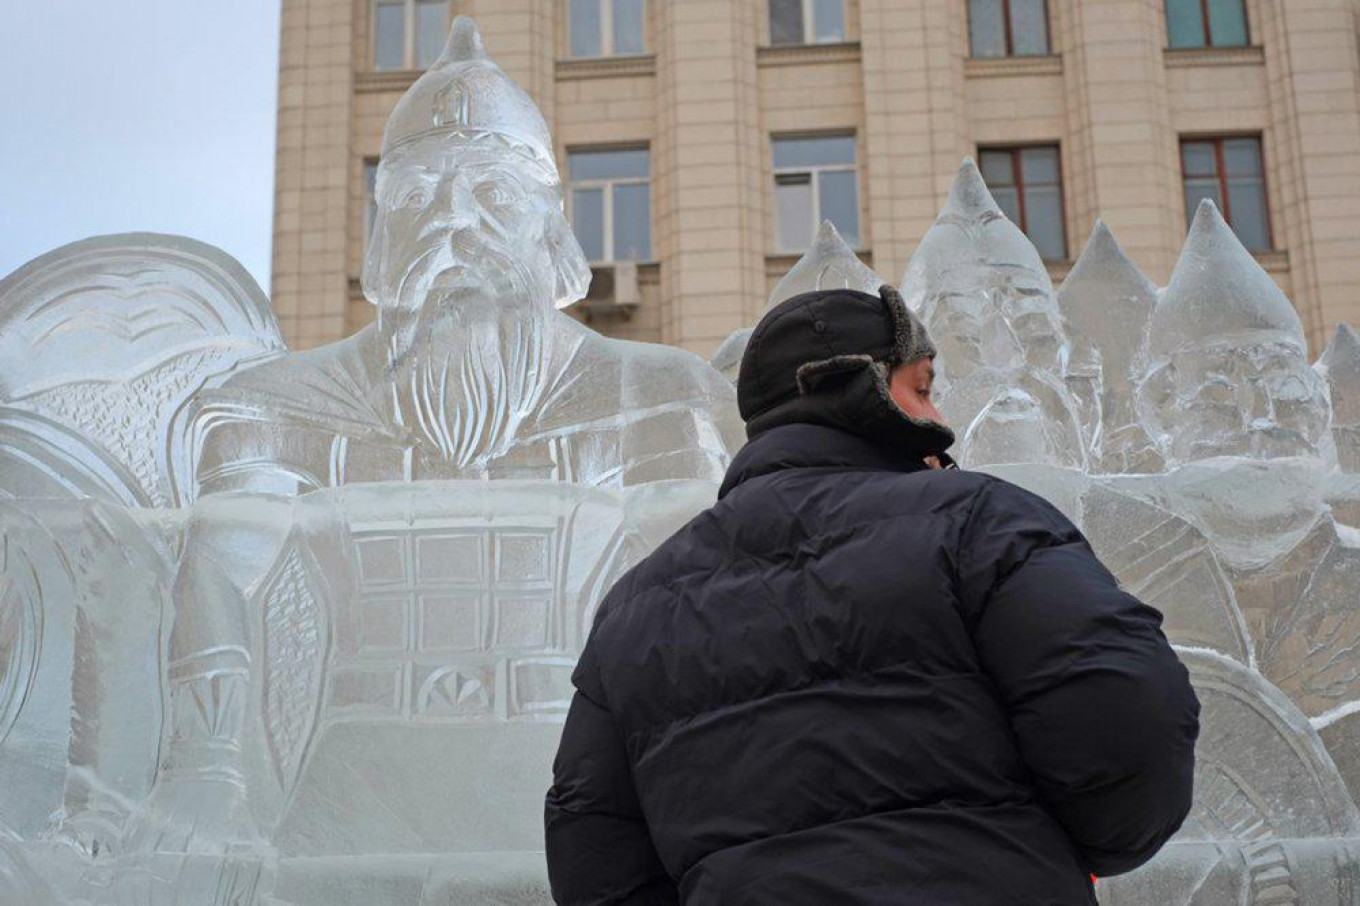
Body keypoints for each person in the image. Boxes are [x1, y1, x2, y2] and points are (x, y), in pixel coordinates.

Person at [545, 285, 1200, 904]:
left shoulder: (636, 605)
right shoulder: (978, 523)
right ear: (864, 392)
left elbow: (591, 841)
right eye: (922, 389)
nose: (940, 416)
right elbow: (1128, 704)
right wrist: (1087, 845)